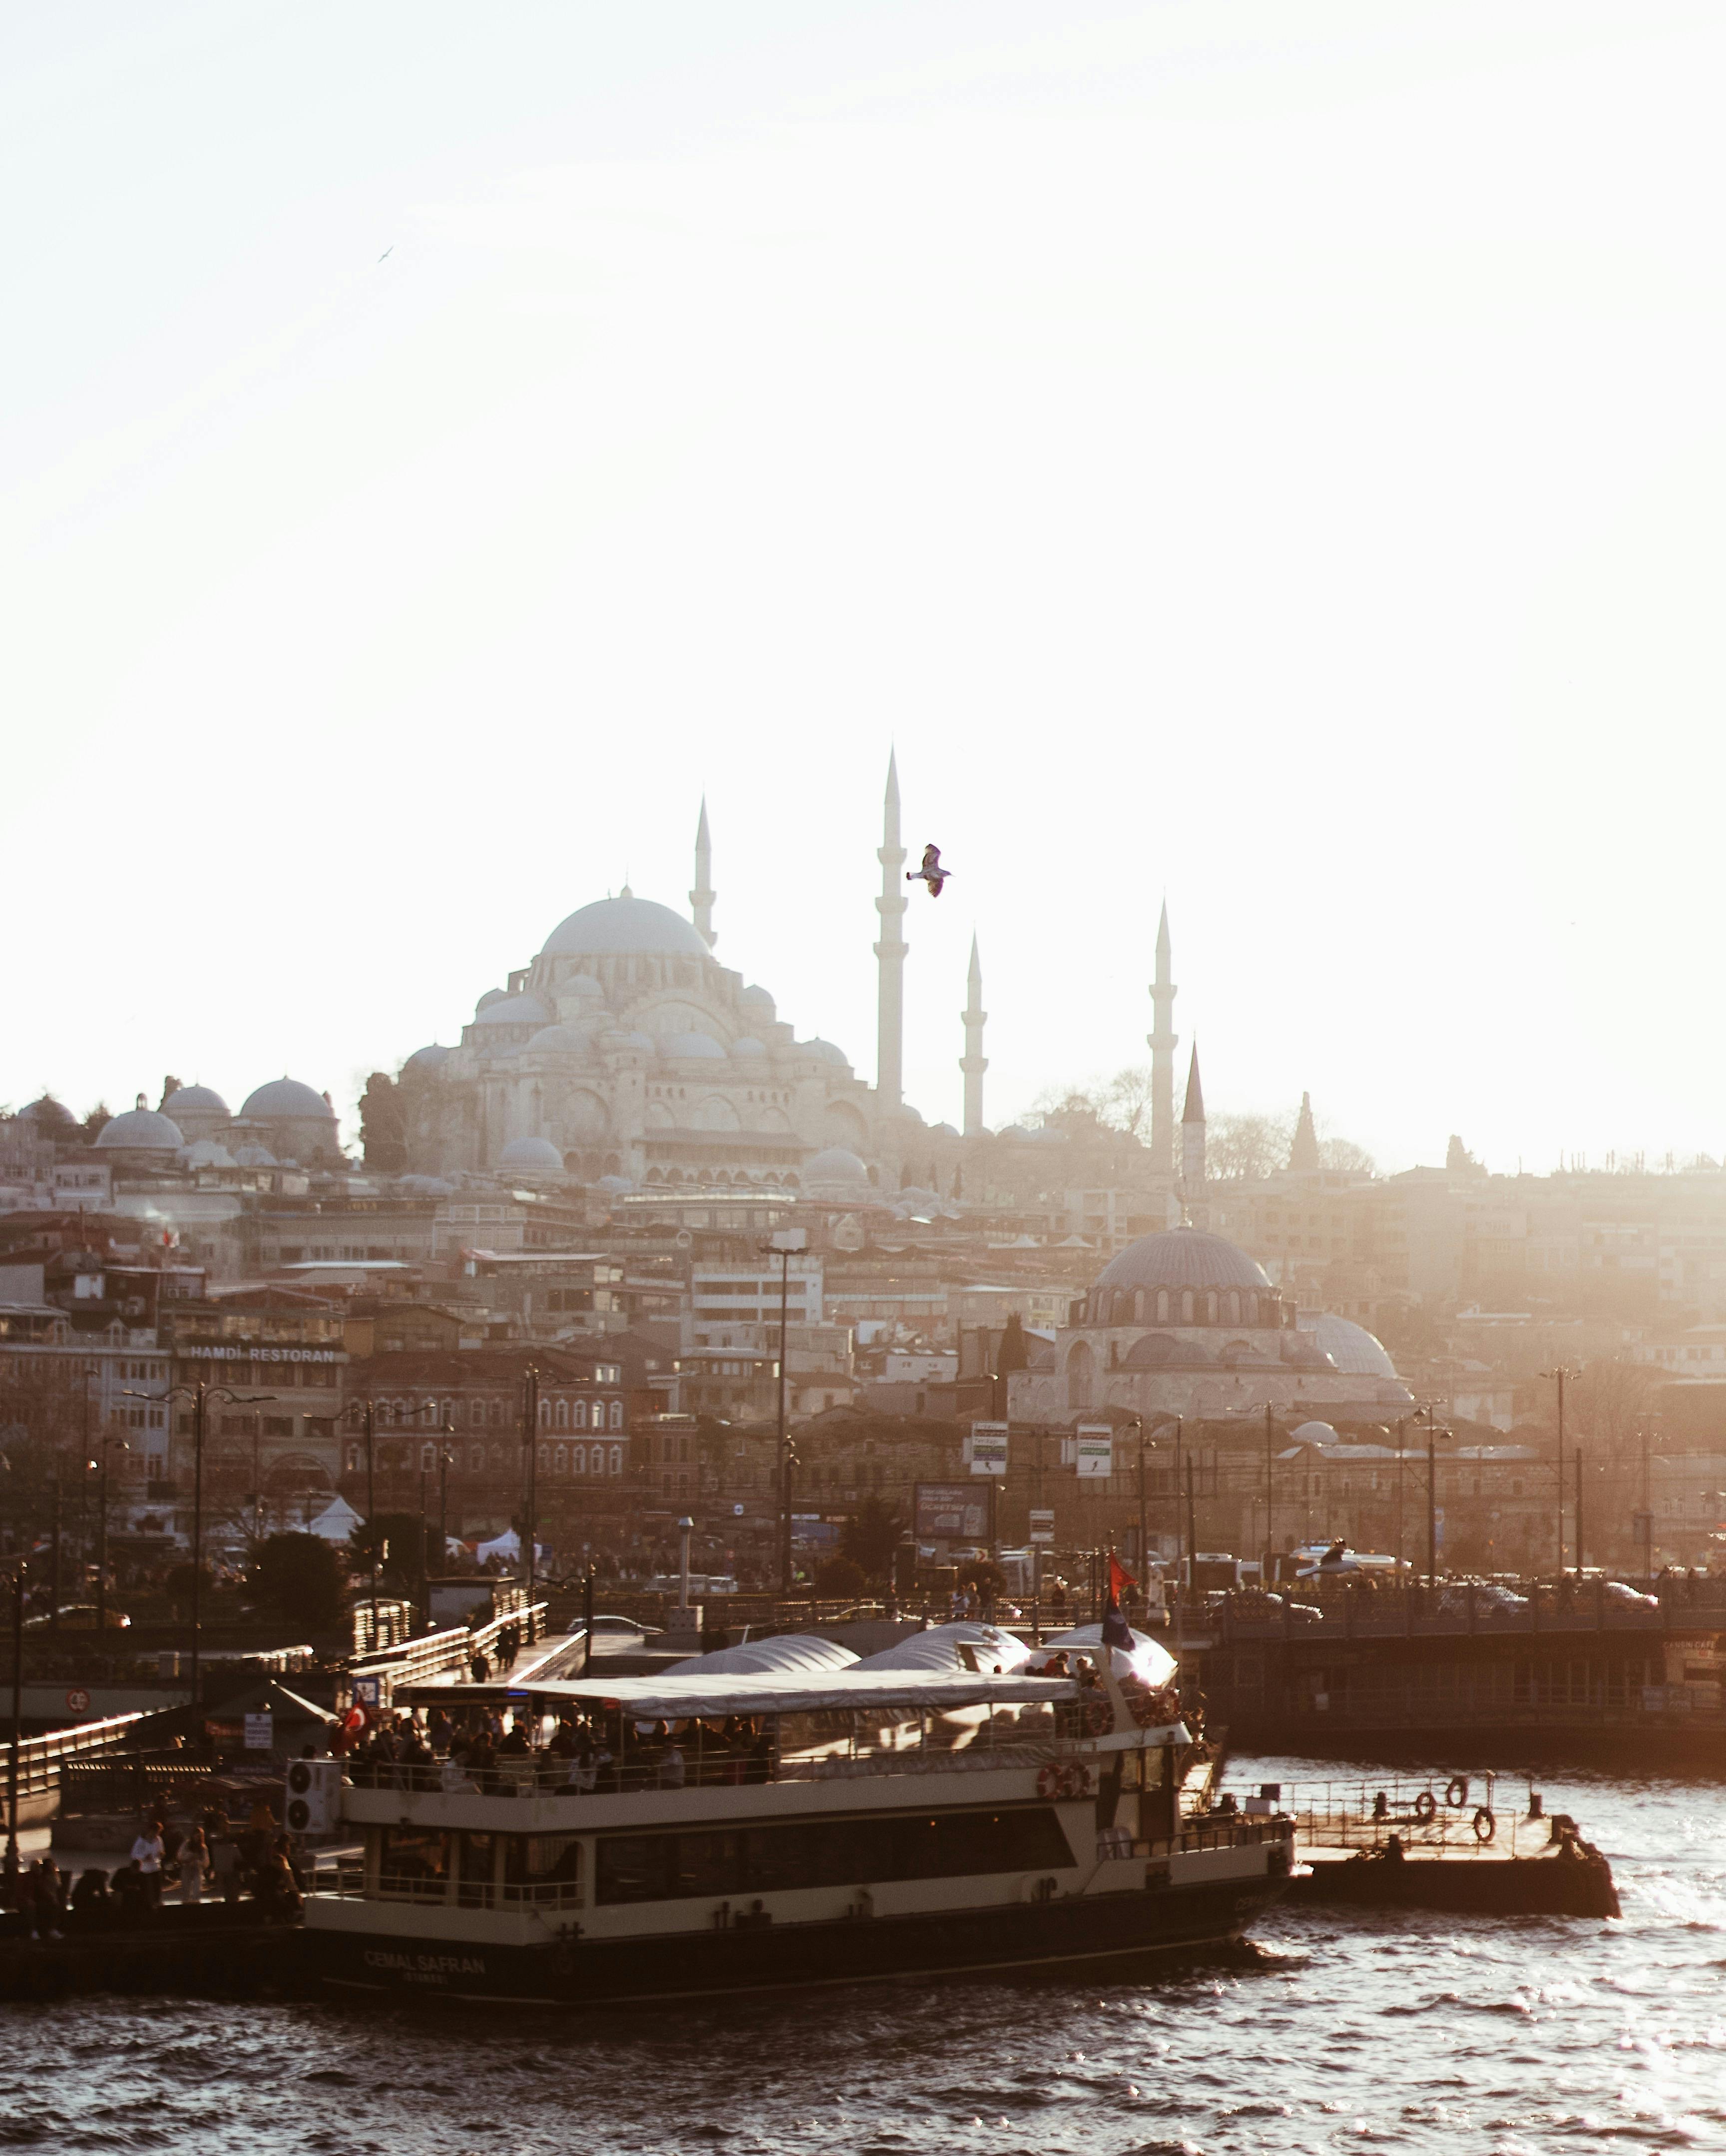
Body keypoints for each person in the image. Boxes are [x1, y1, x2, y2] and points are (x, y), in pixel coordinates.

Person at [130, 1820, 165, 1914]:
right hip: (145, 1869)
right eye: (155, 1832)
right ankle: (146, 1907)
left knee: (157, 1888)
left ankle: (157, 1904)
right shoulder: (141, 1840)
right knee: (146, 1889)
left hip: (156, 1867)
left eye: (158, 1832)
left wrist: (161, 1854)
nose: (156, 1834)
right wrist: (144, 1857)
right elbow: (134, 1854)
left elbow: (161, 1851)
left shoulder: (158, 1840)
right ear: (151, 1831)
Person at [179, 1824, 210, 1906]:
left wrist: (200, 1863)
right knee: (186, 1891)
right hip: (187, 1868)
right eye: (196, 1835)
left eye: (200, 1836)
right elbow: (180, 1856)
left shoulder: (203, 1848)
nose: (198, 1837)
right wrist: (190, 1858)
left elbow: (206, 1861)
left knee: (197, 1890)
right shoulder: (187, 1844)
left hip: (198, 1869)